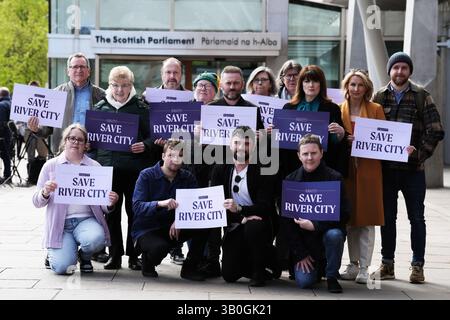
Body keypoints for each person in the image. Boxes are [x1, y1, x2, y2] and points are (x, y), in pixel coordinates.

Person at [371, 52, 445, 284]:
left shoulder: (422, 96)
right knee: (387, 219)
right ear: (389, 71)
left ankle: (417, 266)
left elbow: (436, 130)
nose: (400, 72)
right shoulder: (379, 96)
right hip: (387, 171)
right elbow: (370, 129)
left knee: (417, 218)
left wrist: (419, 154)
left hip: (413, 171)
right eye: (396, 68)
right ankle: (387, 264)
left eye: (404, 68)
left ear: (409, 71)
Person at [31, 123, 118, 275]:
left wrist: (110, 203)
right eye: (72, 138)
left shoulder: (95, 167)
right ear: (65, 141)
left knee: (96, 238)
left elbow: (103, 205)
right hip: (61, 225)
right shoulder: (51, 166)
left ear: (86, 145)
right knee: (62, 268)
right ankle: (56, 253)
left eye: (80, 140)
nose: (75, 142)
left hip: (86, 221)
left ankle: (84, 257)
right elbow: (36, 202)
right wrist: (45, 192)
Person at [91, 66, 153, 271]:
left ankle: (134, 256)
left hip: (134, 170)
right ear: (109, 85)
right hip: (108, 171)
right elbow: (92, 140)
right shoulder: (100, 108)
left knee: (134, 213)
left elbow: (153, 136)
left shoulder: (141, 108)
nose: (120, 90)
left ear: (131, 86)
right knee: (111, 213)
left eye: (124, 86)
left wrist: (145, 145)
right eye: (115, 85)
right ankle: (114, 255)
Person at [131, 139, 209, 280]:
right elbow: (137, 207)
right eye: (171, 155)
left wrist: (180, 220)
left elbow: (194, 206)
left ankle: (190, 268)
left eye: (179, 155)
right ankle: (147, 260)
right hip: (147, 228)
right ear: (163, 156)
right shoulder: (146, 175)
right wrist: (160, 204)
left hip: (173, 227)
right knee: (160, 248)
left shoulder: (188, 177)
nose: (175, 159)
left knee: (205, 224)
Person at [210, 126, 279, 287]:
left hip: (260, 223)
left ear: (254, 146)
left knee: (253, 227)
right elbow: (216, 204)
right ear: (230, 144)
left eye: (247, 144)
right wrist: (240, 217)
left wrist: (242, 210)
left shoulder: (265, 169)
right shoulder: (220, 168)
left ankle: (258, 271)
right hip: (235, 223)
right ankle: (265, 260)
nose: (241, 148)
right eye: (237, 143)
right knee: (229, 275)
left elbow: (265, 206)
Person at [284, 134, 350, 293]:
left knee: (335, 235)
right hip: (305, 244)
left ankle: (332, 276)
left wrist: (316, 225)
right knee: (304, 282)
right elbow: (286, 223)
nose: (309, 157)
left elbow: (345, 213)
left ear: (321, 153)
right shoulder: (291, 180)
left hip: (327, 234)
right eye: (305, 154)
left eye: (313, 153)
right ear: (299, 156)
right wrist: (300, 254)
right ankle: (318, 267)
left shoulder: (335, 178)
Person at [339, 69, 385, 284]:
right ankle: (352, 263)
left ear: (367, 88)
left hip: (368, 170)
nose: (356, 89)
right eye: (352, 84)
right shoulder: (339, 110)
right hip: (346, 169)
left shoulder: (376, 110)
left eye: (360, 85)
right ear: (347, 87)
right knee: (349, 220)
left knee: (367, 220)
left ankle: (365, 267)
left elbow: (385, 141)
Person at [28, 52, 105, 155]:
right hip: (63, 153)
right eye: (75, 67)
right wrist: (36, 129)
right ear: (68, 71)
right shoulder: (55, 94)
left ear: (88, 71)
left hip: (92, 154)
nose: (79, 70)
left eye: (82, 66)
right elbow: (46, 130)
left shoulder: (102, 95)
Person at [0, 87, 11, 184]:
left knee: (3, 155)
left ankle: (6, 176)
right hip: (10, 133)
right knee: (7, 155)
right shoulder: (11, 103)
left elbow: (1, 122)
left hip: (2, 134)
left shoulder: (1, 105)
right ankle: (8, 175)